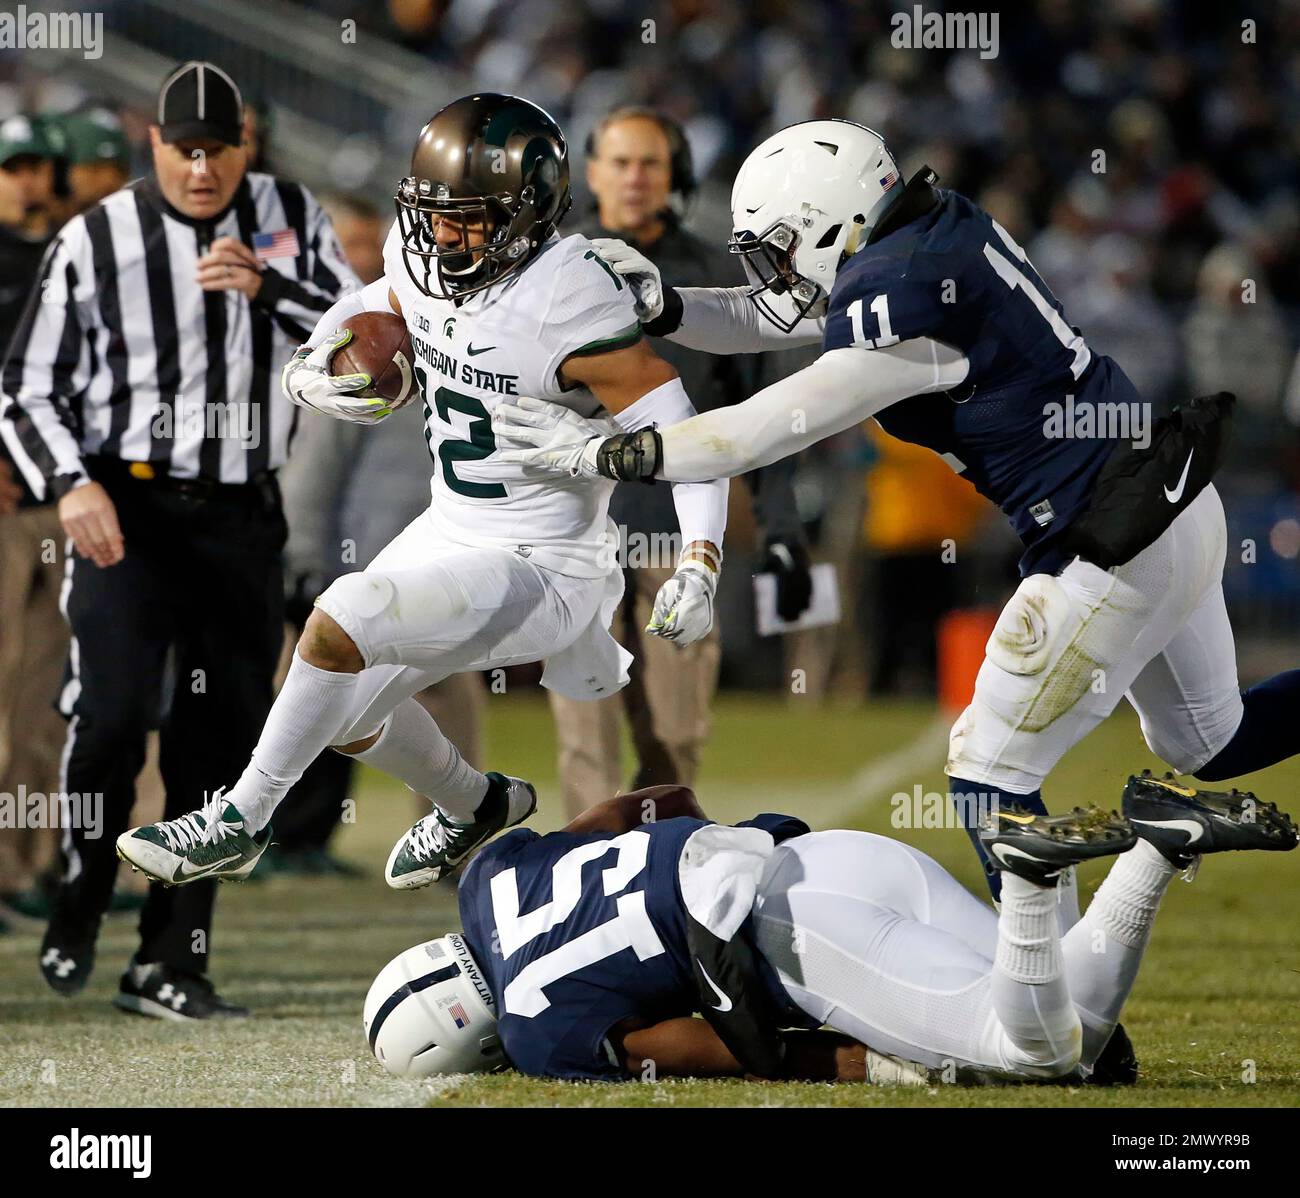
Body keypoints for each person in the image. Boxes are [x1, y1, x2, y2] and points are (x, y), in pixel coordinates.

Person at [116, 92, 729, 897]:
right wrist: (317, 354)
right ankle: (474, 803)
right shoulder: (428, 252)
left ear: (529, 210)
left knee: (340, 618)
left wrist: (700, 557)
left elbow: (686, 432)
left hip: (547, 563)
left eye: (468, 218)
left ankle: (240, 818)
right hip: (450, 524)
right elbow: (381, 300)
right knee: (341, 712)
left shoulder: (568, 292)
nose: (442, 234)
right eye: (432, 213)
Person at [0, 61, 360, 1018]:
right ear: (152, 144)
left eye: (220, 149)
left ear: (248, 144)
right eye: (184, 150)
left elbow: (373, 341)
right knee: (111, 717)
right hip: (132, 508)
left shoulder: (290, 215)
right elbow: (25, 386)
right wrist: (71, 485)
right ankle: (80, 887)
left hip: (244, 513)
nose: (202, 169)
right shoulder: (97, 236)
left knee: (218, 750)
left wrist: (274, 288)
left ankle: (169, 960)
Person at [363, 774, 1296, 1082]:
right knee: (1096, 1054)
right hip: (828, 859)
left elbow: (739, 1051)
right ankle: (1154, 845)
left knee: (1033, 1057)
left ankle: (1034, 878)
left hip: (797, 942)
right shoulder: (488, 876)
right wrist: (708, 844)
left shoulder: (535, 1036)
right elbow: (649, 801)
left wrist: (888, 1064)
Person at [545, 106, 811, 817]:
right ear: (592, 173)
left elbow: (769, 414)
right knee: (586, 741)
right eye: (620, 162)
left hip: (678, 537)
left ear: (676, 176)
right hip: (578, 537)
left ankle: (659, 873)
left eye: (650, 163)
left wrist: (784, 529)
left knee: (678, 733)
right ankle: (589, 893)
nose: (634, 178)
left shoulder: (720, 281)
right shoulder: (550, 273)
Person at [0, 113, 66, 926]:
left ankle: (25, 868)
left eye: (34, 166)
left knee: (47, 698)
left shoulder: (64, 260)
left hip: (64, 497)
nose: (23, 181)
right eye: (11, 167)